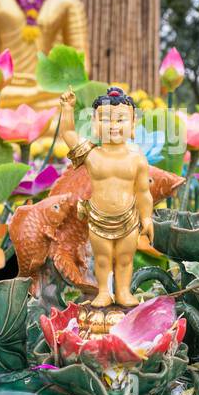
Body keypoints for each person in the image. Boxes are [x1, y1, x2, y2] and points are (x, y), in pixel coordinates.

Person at [56, 86, 153, 308]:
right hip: (99, 217)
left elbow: (143, 191)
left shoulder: (137, 159)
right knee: (102, 258)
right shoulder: (92, 155)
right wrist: (67, 109)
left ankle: (123, 291)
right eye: (107, 120)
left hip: (128, 218)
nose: (114, 126)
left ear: (132, 126)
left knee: (125, 258)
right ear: (95, 126)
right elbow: (68, 134)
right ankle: (103, 291)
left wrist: (147, 218)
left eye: (121, 120)